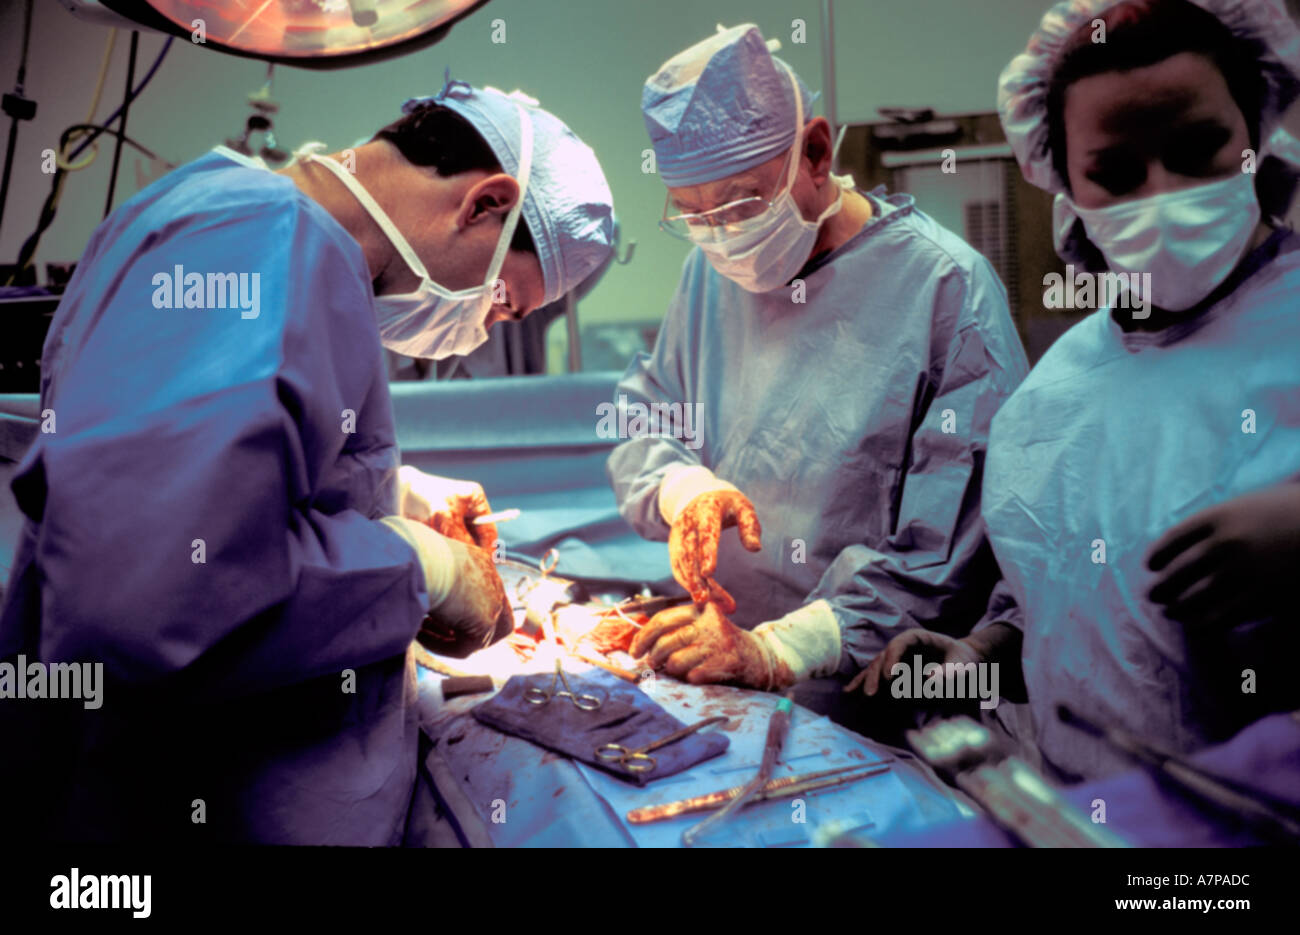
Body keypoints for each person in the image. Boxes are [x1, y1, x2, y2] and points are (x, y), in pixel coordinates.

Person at [0, 74, 614, 843]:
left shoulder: (204, 206)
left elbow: (177, 468)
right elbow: (149, 589)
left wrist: (383, 495)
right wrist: (418, 566)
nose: (485, 332)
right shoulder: (266, 242)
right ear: (486, 202)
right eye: (501, 302)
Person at [853, 0, 1300, 782]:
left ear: (1256, 140)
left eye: (1200, 150)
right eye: (1117, 172)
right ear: (1066, 185)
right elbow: (1068, 617)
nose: (1163, 192)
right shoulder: (1053, 399)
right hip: (1093, 823)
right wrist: (975, 659)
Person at [608, 25, 1029, 693]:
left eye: (742, 202)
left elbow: (951, 554)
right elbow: (645, 417)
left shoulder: (946, 288)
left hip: (863, 690)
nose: (723, 235)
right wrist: (683, 486)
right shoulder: (709, 273)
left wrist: (783, 650)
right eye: (693, 214)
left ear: (816, 150)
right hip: (718, 661)